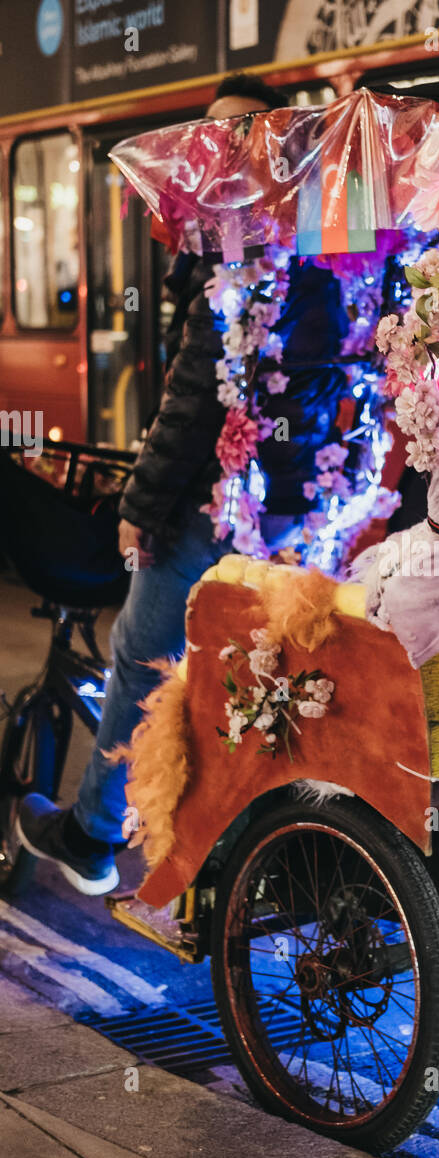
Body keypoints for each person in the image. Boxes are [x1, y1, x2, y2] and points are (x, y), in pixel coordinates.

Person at [17, 73, 348, 895]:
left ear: (273, 144)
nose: (213, 154)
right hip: (299, 505)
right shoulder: (318, 242)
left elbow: (196, 396)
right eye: (205, 139)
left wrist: (138, 508)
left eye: (234, 137)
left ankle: (93, 836)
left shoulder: (247, 250)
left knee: (140, 651)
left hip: (220, 502)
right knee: (260, 675)